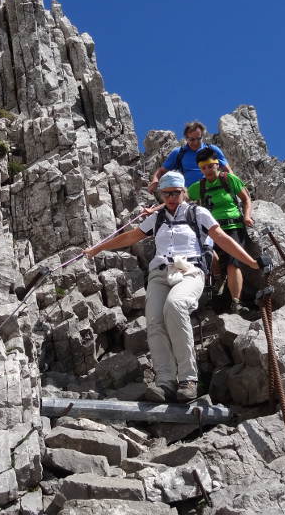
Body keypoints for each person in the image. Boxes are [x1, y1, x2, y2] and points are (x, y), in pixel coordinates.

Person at [84, 171, 265, 403]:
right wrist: (98, 248)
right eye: (166, 193)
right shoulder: (156, 219)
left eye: (176, 193)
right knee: (154, 321)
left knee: (176, 306)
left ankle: (188, 380)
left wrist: (251, 262)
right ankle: (165, 382)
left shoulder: (198, 213)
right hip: (159, 274)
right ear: (161, 194)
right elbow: (131, 237)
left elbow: (222, 239)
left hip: (190, 271)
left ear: (184, 192)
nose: (171, 197)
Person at [188, 146, 254, 315]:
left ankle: (236, 302)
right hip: (212, 229)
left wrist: (247, 216)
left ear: (217, 164)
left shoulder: (229, 179)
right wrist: (156, 208)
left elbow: (246, 199)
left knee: (234, 262)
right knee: (210, 256)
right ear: (200, 169)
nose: (208, 170)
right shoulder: (198, 187)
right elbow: (179, 198)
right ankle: (218, 278)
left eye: (210, 166)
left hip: (233, 227)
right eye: (204, 168)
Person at [147, 121, 233, 191]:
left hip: (214, 191)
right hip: (191, 194)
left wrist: (235, 185)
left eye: (198, 139)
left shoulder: (212, 150)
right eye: (191, 139)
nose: (195, 142)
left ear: (202, 136)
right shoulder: (178, 153)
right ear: (186, 138)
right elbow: (161, 171)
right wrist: (155, 180)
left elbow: (227, 170)